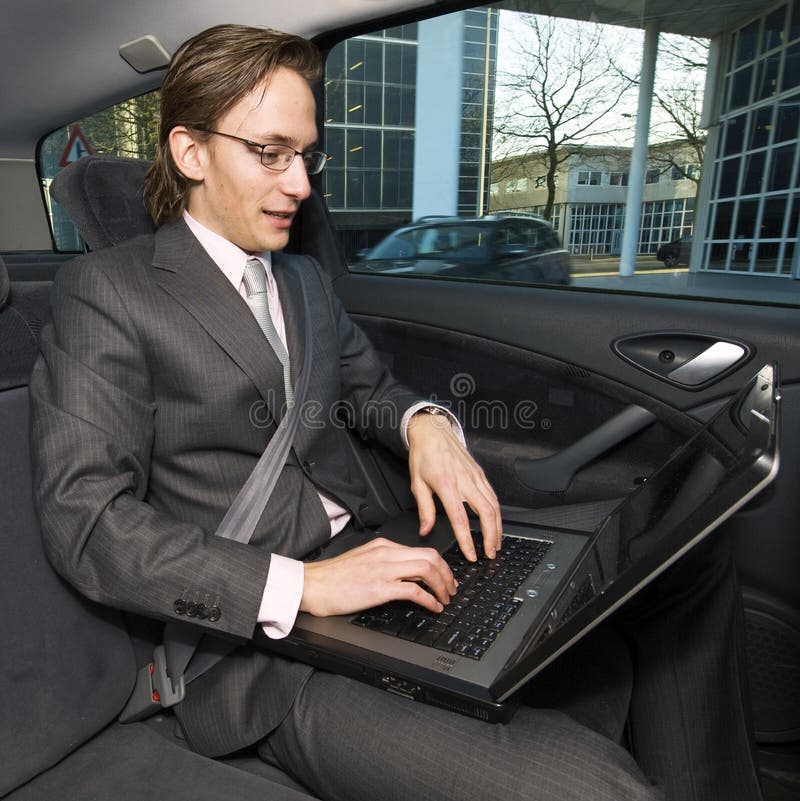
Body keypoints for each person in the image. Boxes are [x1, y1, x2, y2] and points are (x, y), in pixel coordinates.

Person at [28, 24, 753, 801]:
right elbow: (88, 519)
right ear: (191, 152)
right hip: (270, 651)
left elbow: (371, 389)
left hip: (392, 557)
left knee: (687, 557)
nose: (300, 183)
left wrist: (426, 426)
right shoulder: (110, 292)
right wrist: (303, 586)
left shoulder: (301, 277)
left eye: (306, 154)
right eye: (270, 152)